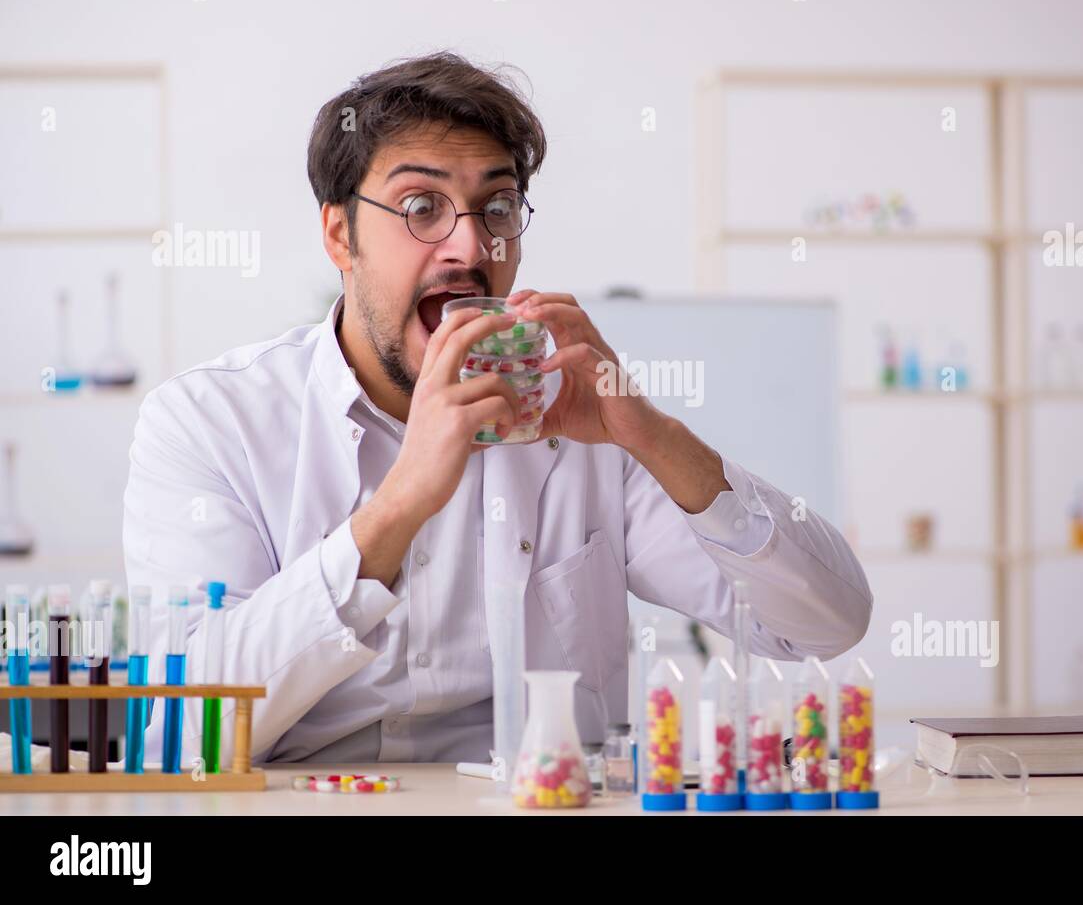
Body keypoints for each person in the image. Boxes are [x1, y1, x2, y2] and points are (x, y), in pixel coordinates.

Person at [123, 51, 872, 765]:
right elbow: (183, 728)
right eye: (422, 206)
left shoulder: (577, 420)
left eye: (498, 206)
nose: (469, 244)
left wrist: (652, 433)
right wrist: (400, 504)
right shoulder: (208, 421)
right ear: (339, 234)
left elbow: (825, 623)